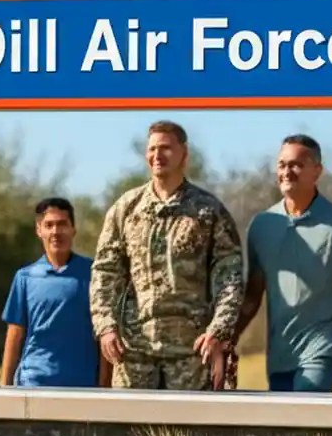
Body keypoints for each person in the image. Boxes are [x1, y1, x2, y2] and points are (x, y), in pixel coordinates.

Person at [89, 120, 244, 391]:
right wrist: (105, 326)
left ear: (184, 154)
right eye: (151, 149)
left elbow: (229, 276)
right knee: (130, 429)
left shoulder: (207, 211)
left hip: (191, 350)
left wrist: (219, 331)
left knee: (190, 430)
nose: (157, 156)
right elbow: (105, 271)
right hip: (134, 349)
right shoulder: (127, 208)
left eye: (166, 148)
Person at [232, 134, 332, 393]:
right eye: (282, 164)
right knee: (286, 427)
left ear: (317, 170)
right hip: (279, 355)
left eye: (296, 164)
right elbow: (253, 295)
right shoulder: (262, 226)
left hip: (322, 348)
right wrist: (229, 339)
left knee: (304, 412)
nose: (287, 171)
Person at [1, 197, 112, 388]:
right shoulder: (25, 277)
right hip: (34, 383)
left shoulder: (94, 273)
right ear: (39, 230)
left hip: (82, 386)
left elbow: (104, 333)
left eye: (62, 224)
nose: (55, 231)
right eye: (49, 225)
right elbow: (14, 336)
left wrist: (104, 386)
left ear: (73, 229)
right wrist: (5, 387)